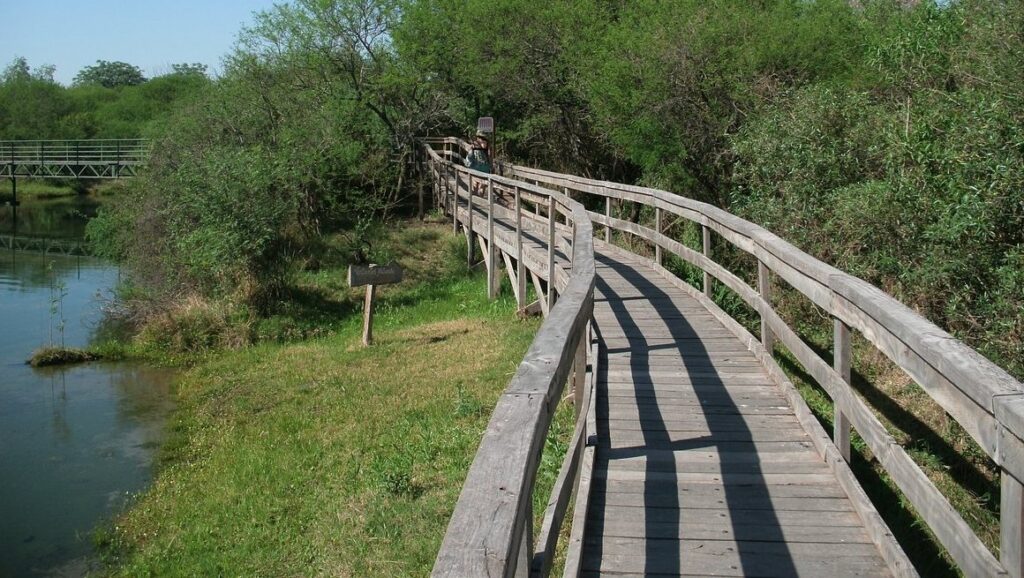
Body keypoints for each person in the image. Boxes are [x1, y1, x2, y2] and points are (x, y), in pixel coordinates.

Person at [464, 131, 492, 195]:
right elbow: (490, 156)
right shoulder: (483, 144)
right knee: (479, 186)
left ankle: (476, 201)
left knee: (478, 186)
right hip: (480, 168)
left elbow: (470, 155)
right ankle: (477, 200)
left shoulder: (478, 145)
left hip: (479, 169)